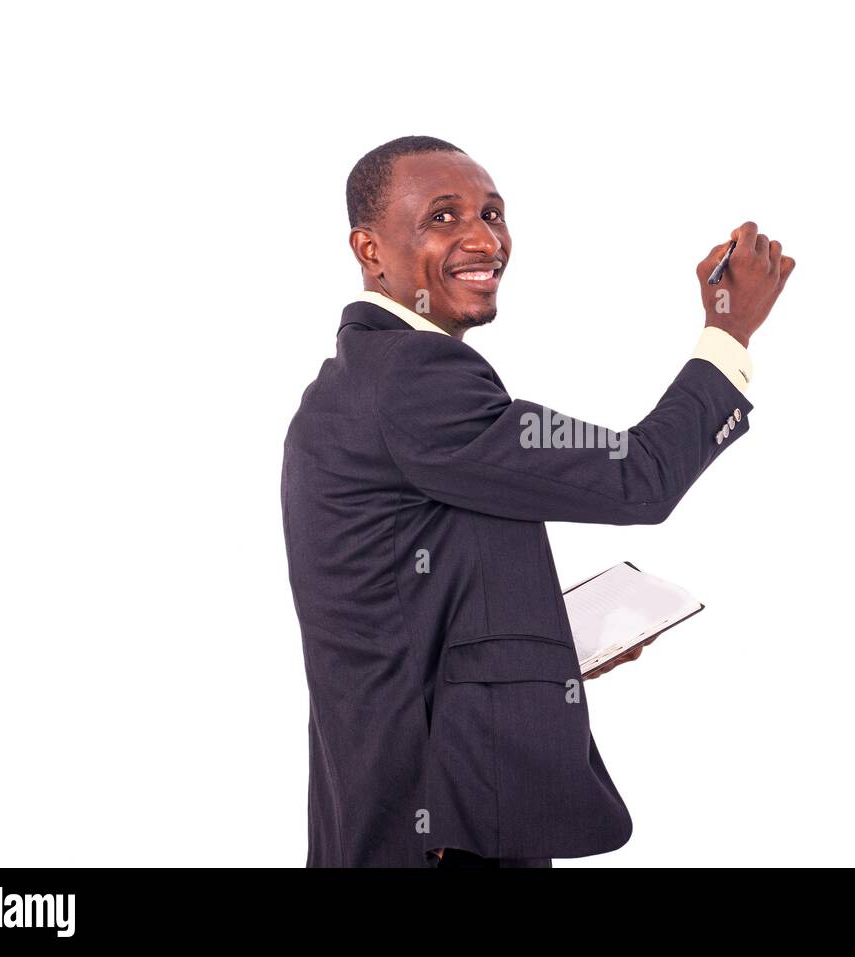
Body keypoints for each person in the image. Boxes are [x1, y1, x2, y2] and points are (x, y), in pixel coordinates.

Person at [280, 135, 794, 867]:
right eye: (443, 217)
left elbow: (395, 611)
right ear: (370, 249)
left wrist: (550, 644)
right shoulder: (415, 379)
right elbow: (636, 474)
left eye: (492, 213)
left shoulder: (354, 386)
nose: (483, 238)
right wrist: (729, 329)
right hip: (446, 833)